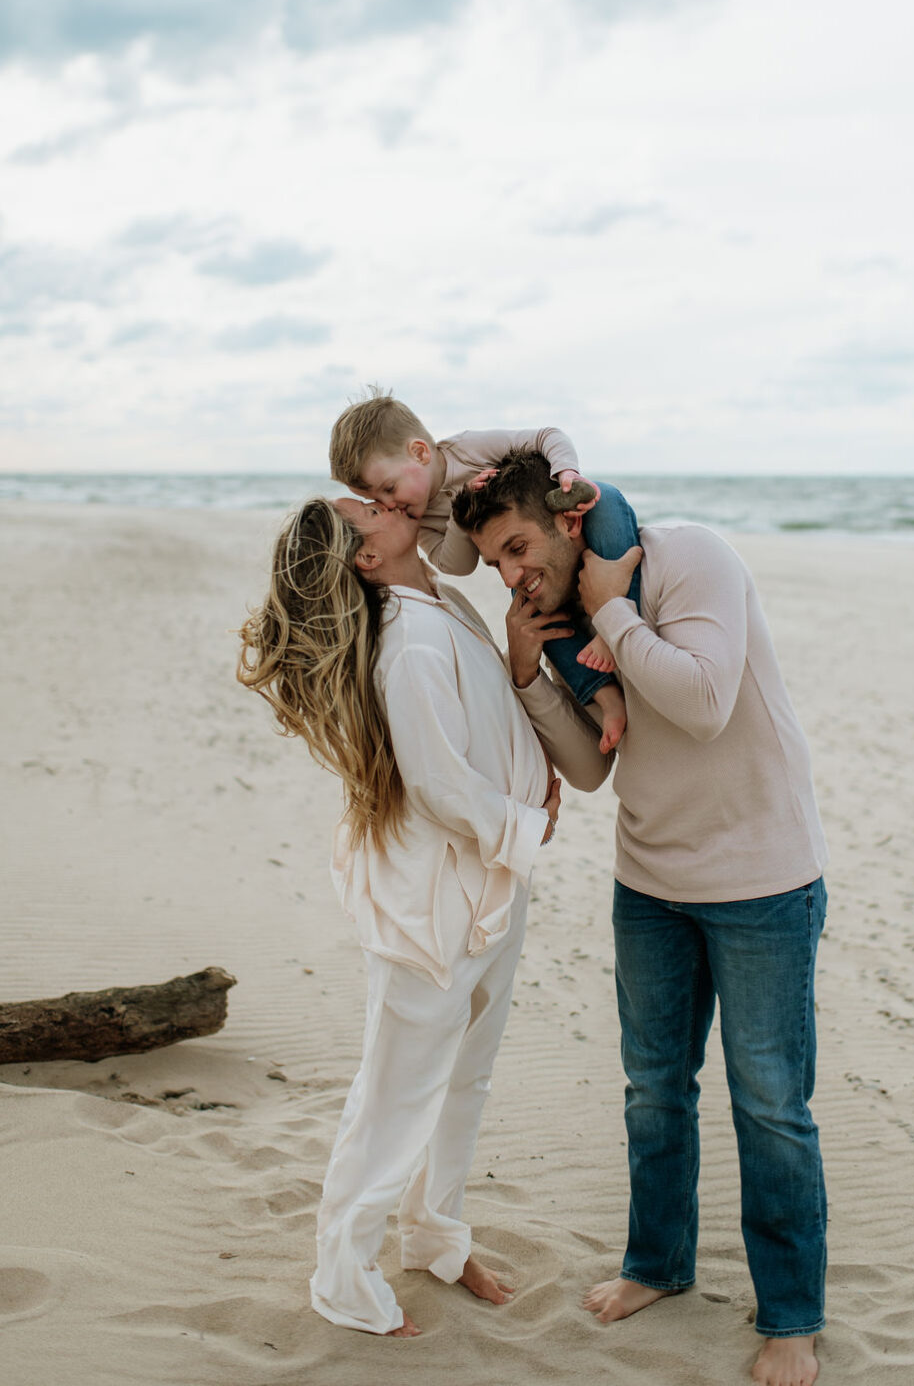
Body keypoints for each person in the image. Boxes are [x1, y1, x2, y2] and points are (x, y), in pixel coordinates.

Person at [451, 451, 829, 1386]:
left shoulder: (692, 558)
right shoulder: (567, 618)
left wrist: (615, 606)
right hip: (651, 882)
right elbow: (587, 771)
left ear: (569, 522)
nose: (509, 574)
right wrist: (529, 668)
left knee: (770, 1105)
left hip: (761, 878)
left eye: (517, 548)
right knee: (654, 1090)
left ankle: (791, 1317)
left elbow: (700, 703)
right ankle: (658, 1264)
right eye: (494, 561)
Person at [237, 495, 608, 1338]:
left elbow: (480, 720)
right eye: (365, 512)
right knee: (397, 1092)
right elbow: (436, 782)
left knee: (465, 1076)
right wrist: (525, 823)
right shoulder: (404, 645)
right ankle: (342, 1273)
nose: (385, 501)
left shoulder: (442, 596)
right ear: (368, 560)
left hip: (493, 884)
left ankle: (434, 1237)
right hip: (436, 899)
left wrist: (518, 668)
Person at [328, 387, 643, 754]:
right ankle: (605, 696)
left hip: (548, 526)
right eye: (376, 501)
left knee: (605, 498)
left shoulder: (467, 449)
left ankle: (618, 613)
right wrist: (460, 517)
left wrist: (566, 472)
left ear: (420, 452)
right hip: (524, 565)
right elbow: (456, 565)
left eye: (389, 488)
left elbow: (546, 437)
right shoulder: (420, 518)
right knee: (532, 613)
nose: (390, 505)